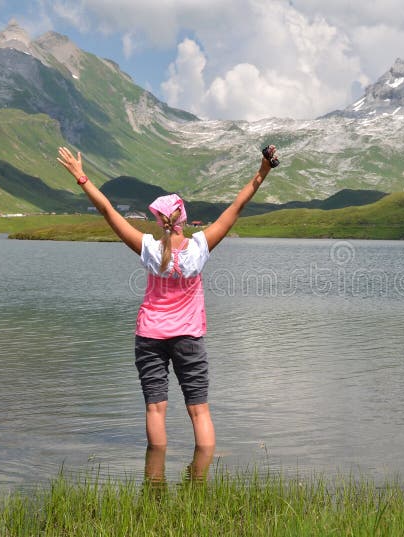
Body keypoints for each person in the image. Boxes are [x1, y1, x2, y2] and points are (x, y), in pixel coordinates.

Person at [56, 145, 278, 460]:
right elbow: (237, 206)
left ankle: (155, 480)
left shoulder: (148, 248)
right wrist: (262, 172)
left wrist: (81, 178)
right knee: (199, 411)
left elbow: (107, 211)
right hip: (189, 338)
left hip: (149, 336)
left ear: (159, 221)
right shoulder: (200, 247)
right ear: (183, 219)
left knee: (155, 409)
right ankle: (201, 483)